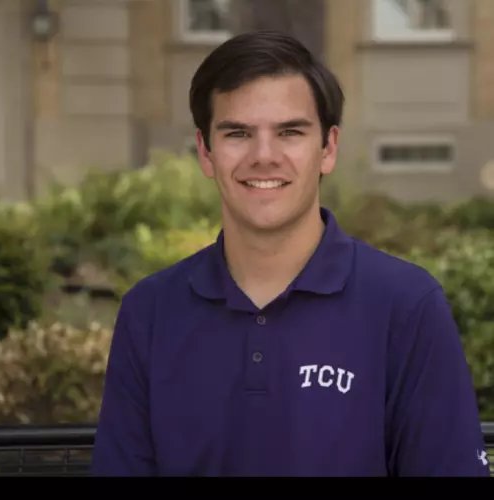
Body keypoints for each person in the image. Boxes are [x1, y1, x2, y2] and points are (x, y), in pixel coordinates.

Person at [91, 30, 490, 477]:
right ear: (205, 152)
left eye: (290, 132)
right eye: (238, 133)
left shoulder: (406, 305)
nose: (265, 156)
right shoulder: (150, 312)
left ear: (328, 148)